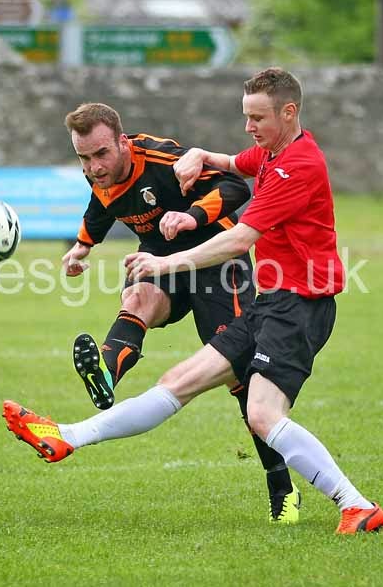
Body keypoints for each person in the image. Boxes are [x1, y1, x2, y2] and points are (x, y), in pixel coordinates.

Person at [4, 68, 383, 534]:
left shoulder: (295, 167)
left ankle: (353, 503)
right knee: (179, 379)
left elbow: (236, 240)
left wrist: (165, 261)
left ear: (289, 113)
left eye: (257, 117)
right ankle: (65, 436)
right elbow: (236, 161)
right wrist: (202, 154)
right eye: (246, 116)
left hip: (299, 306)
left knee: (262, 413)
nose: (248, 126)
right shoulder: (272, 152)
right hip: (275, 303)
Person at [59, 102, 301, 523]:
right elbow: (103, 202)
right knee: (136, 300)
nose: (94, 166)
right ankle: (106, 373)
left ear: (122, 141)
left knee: (241, 378)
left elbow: (236, 188)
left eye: (101, 154)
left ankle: (280, 482)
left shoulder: (163, 160)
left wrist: (190, 216)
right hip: (159, 258)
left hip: (215, 261)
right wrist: (83, 244)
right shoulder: (100, 172)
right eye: (84, 157)